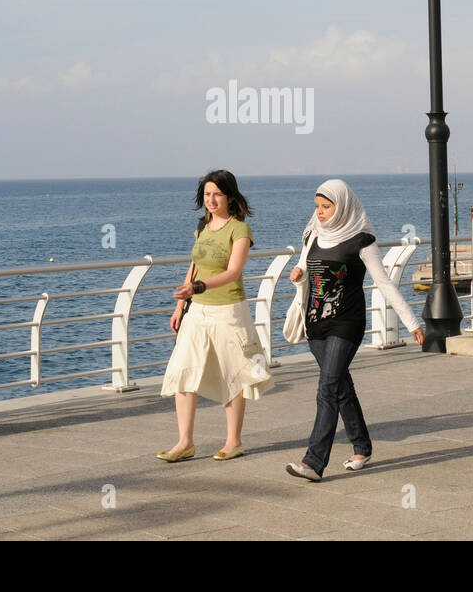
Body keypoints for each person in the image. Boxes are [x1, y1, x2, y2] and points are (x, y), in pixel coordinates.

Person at [284, 180, 424, 483]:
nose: (320, 213)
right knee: (340, 387)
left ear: (342, 206)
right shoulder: (312, 235)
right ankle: (362, 446)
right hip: (315, 323)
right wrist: (298, 274)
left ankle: (313, 462)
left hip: (347, 323)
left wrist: (411, 322)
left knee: (327, 388)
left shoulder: (362, 240)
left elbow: (384, 282)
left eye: (326, 207)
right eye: (317, 206)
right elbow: (304, 268)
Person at [158, 170, 272, 462]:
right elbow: (194, 265)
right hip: (198, 309)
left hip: (229, 310)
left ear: (230, 196)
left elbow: (233, 272)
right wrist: (181, 305)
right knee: (183, 369)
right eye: (207, 194)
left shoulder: (240, 230)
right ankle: (185, 442)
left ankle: (233, 441)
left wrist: (199, 287)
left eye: (217, 194)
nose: (211, 199)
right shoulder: (203, 226)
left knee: (233, 374)